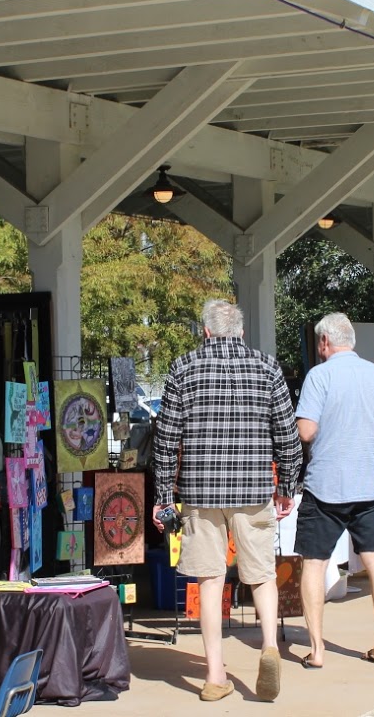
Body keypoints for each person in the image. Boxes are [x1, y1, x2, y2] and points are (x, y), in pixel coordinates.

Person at [151, 300, 300, 703]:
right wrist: (287, 485)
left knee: (211, 581)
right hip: (253, 490)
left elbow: (165, 440)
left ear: (206, 332)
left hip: (200, 493)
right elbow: (287, 435)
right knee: (262, 575)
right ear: (241, 331)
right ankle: (269, 645)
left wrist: (163, 496)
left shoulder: (183, 368)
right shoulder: (267, 367)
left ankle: (215, 675)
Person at [293, 313, 374, 670]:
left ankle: (317, 650)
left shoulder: (319, 376)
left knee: (314, 564)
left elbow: (306, 432)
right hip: (369, 486)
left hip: (325, 485)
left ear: (324, 342)